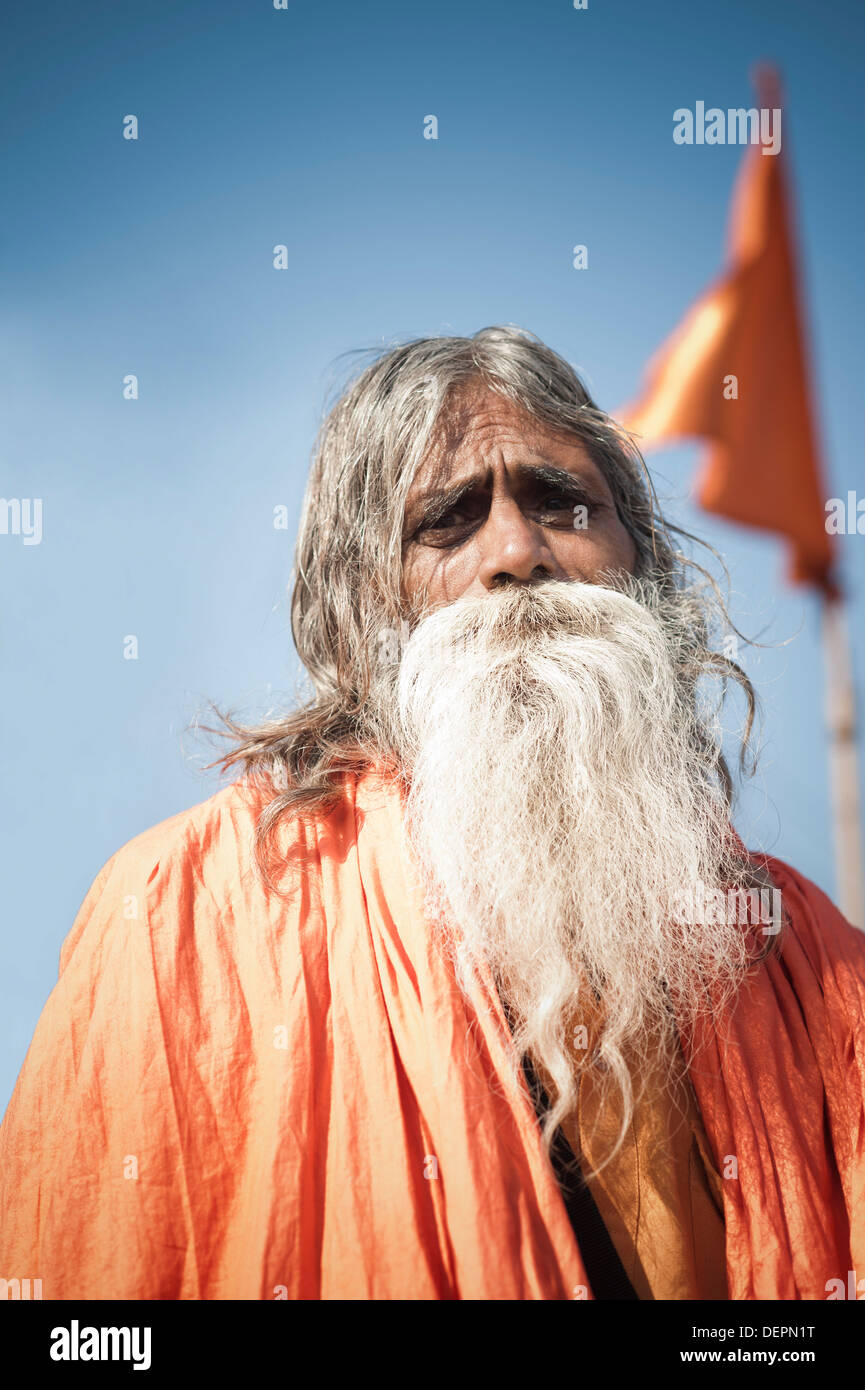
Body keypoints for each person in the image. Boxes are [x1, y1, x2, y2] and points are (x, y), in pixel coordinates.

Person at [1, 326, 863, 1301]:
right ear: (365, 605)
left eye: (563, 503)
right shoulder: (182, 913)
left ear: (641, 563)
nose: (517, 553)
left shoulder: (810, 961)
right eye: (449, 520)